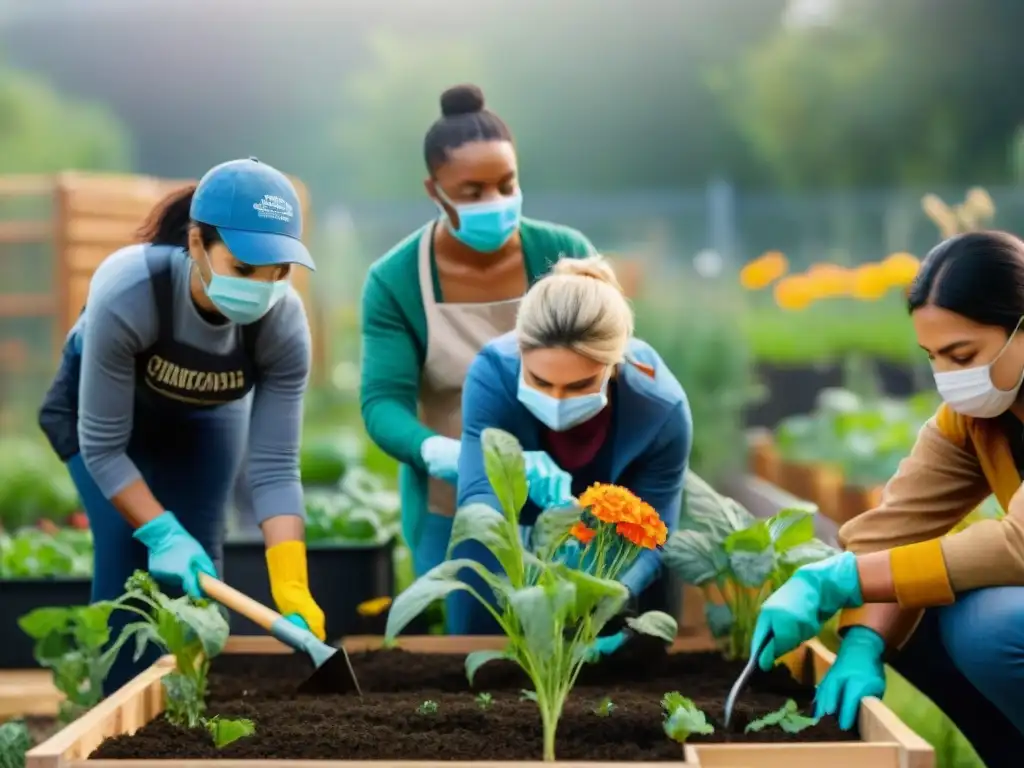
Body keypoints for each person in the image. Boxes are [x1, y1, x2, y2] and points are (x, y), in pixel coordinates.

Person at [37, 158, 325, 694]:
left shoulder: (283, 325)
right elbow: (103, 447)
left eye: (279, 272)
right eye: (244, 268)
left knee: (201, 574)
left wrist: (291, 585)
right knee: (130, 564)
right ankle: (112, 725)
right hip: (100, 425)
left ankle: (187, 718)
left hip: (204, 418)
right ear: (196, 243)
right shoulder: (131, 291)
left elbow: (275, 469)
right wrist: (161, 532)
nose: (264, 288)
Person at [750, 231, 1024, 768]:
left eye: (962, 354)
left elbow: (1018, 546)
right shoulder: (976, 419)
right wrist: (862, 642)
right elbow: (892, 528)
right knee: (909, 615)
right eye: (933, 357)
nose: (948, 376)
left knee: (989, 625)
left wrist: (841, 578)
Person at [359, 83, 596, 584]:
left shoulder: (563, 253)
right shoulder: (398, 279)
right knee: (465, 645)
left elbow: (610, 358)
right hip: (455, 506)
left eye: (507, 186)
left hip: (568, 491)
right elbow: (383, 403)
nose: (495, 202)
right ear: (435, 191)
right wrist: (443, 454)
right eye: (472, 192)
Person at [452, 254, 693, 642]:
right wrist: (521, 588)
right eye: (541, 381)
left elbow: (655, 532)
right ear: (521, 353)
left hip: (615, 552)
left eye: (579, 385)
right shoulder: (493, 374)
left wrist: (604, 598)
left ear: (614, 365)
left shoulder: (660, 410)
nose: (558, 400)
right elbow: (479, 500)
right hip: (518, 541)